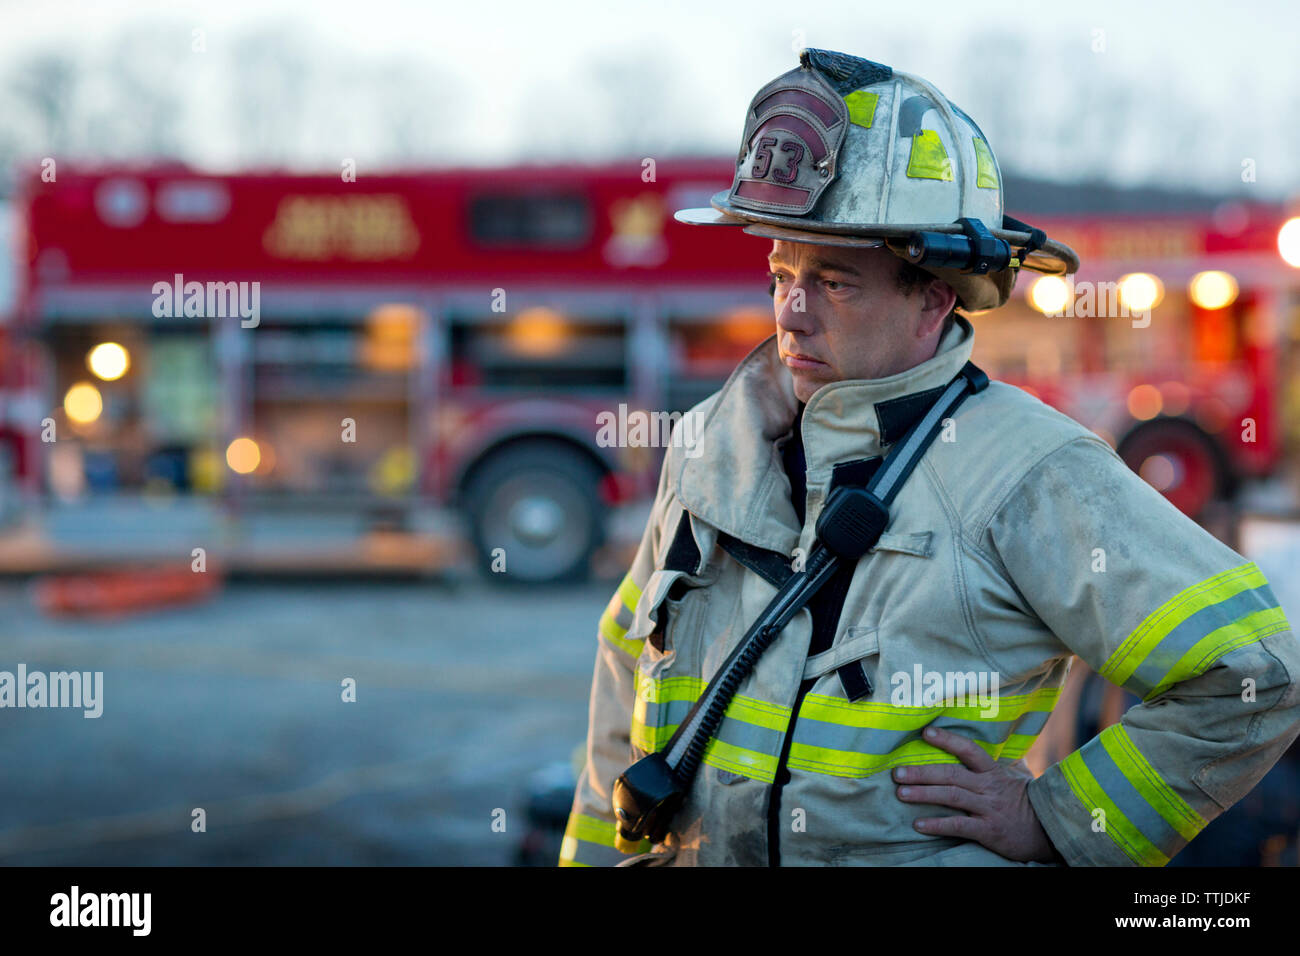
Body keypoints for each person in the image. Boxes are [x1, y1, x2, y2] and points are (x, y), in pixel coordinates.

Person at [559, 48, 1300, 866]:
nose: (792, 315)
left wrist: (1060, 819)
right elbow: (624, 679)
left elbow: (1254, 675)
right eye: (781, 274)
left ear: (933, 298)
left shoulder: (1031, 470)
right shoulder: (711, 447)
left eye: (835, 282)